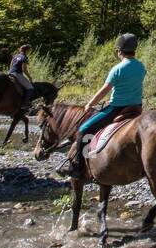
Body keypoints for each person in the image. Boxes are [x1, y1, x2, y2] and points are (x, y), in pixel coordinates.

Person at [61, 33, 146, 179]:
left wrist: (90, 104)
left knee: (83, 130)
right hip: (137, 108)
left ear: (119, 51)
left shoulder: (117, 69)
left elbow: (104, 90)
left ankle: (77, 167)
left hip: (116, 108)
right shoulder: (141, 67)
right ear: (134, 50)